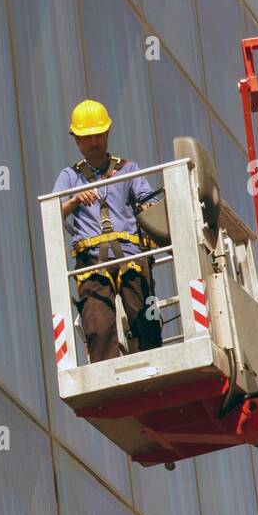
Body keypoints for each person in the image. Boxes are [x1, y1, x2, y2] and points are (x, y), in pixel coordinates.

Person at [54, 99, 163, 363]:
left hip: (130, 255)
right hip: (91, 262)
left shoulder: (128, 169)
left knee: (143, 319)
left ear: (107, 134)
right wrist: (75, 199)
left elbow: (149, 200)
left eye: (99, 135)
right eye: (88, 137)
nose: (94, 142)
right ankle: (108, 372)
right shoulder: (70, 177)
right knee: (99, 327)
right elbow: (53, 212)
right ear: (77, 140)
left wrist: (148, 205)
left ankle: (150, 365)